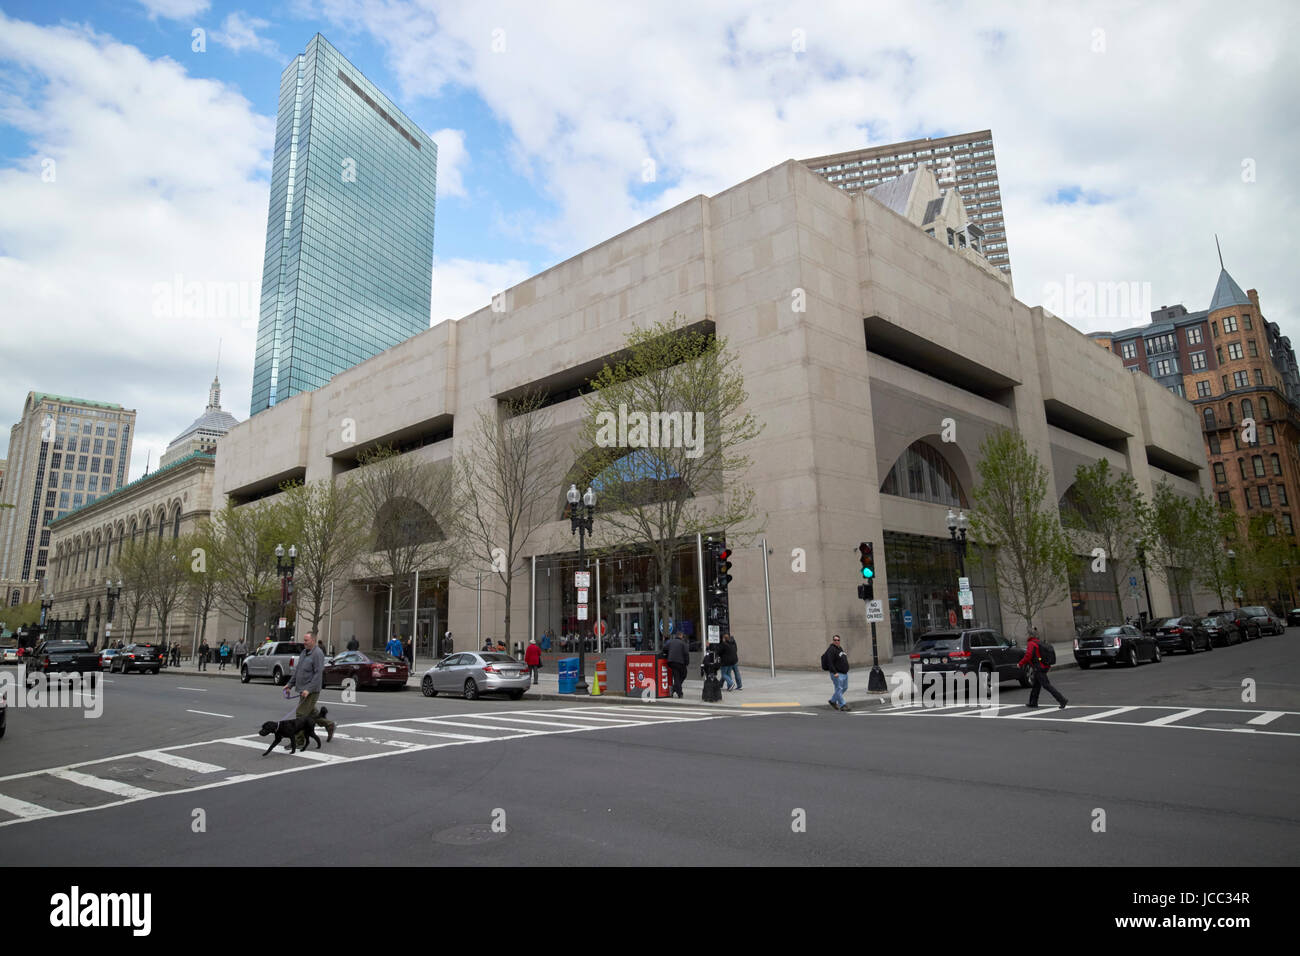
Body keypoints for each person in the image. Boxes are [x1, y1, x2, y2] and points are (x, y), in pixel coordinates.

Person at [286, 631, 335, 747]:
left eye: (306, 640)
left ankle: (298, 741)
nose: (304, 643)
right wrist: (289, 684)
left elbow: (318, 675)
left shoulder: (318, 654)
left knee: (301, 714)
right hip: (302, 690)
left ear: (313, 640)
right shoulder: (304, 652)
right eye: (304, 640)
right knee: (311, 713)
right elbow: (298, 671)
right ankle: (329, 725)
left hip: (311, 691)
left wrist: (308, 689)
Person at [1018, 627, 1067, 709]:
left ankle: (1062, 700)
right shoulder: (1038, 642)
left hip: (1038, 667)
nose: (1026, 635)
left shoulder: (1031, 643)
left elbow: (1028, 656)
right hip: (1043, 666)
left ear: (1030, 635)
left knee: (1046, 685)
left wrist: (1020, 664)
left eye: (1027, 634)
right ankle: (1033, 702)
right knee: (1036, 685)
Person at [820, 634, 850, 712]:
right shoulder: (831, 649)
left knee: (844, 688)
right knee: (839, 689)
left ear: (840, 641)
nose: (836, 641)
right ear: (833, 641)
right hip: (837, 673)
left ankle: (833, 701)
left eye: (838, 640)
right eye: (835, 640)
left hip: (844, 673)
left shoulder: (840, 648)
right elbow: (830, 662)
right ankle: (842, 705)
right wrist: (834, 672)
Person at [663, 630, 689, 699]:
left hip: (671, 662)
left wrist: (667, 655)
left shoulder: (670, 642)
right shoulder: (683, 643)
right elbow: (686, 654)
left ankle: (674, 689)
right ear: (681, 636)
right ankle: (679, 693)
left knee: (676, 677)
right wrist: (687, 663)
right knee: (683, 675)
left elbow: (664, 648)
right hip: (680, 662)